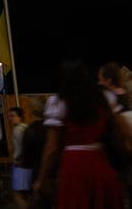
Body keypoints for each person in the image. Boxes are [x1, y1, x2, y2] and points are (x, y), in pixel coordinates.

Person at [33, 58, 124, 208]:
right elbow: (119, 131)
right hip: (100, 163)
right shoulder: (104, 99)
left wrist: (41, 179)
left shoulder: (59, 102)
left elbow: (52, 148)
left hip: (73, 169)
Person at [7, 106, 30, 209]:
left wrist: (17, 160)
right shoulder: (26, 128)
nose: (10, 118)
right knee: (25, 194)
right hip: (28, 165)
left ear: (19, 117)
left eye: (13, 116)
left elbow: (21, 148)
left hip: (20, 165)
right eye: (9, 116)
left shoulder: (17, 130)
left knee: (17, 195)